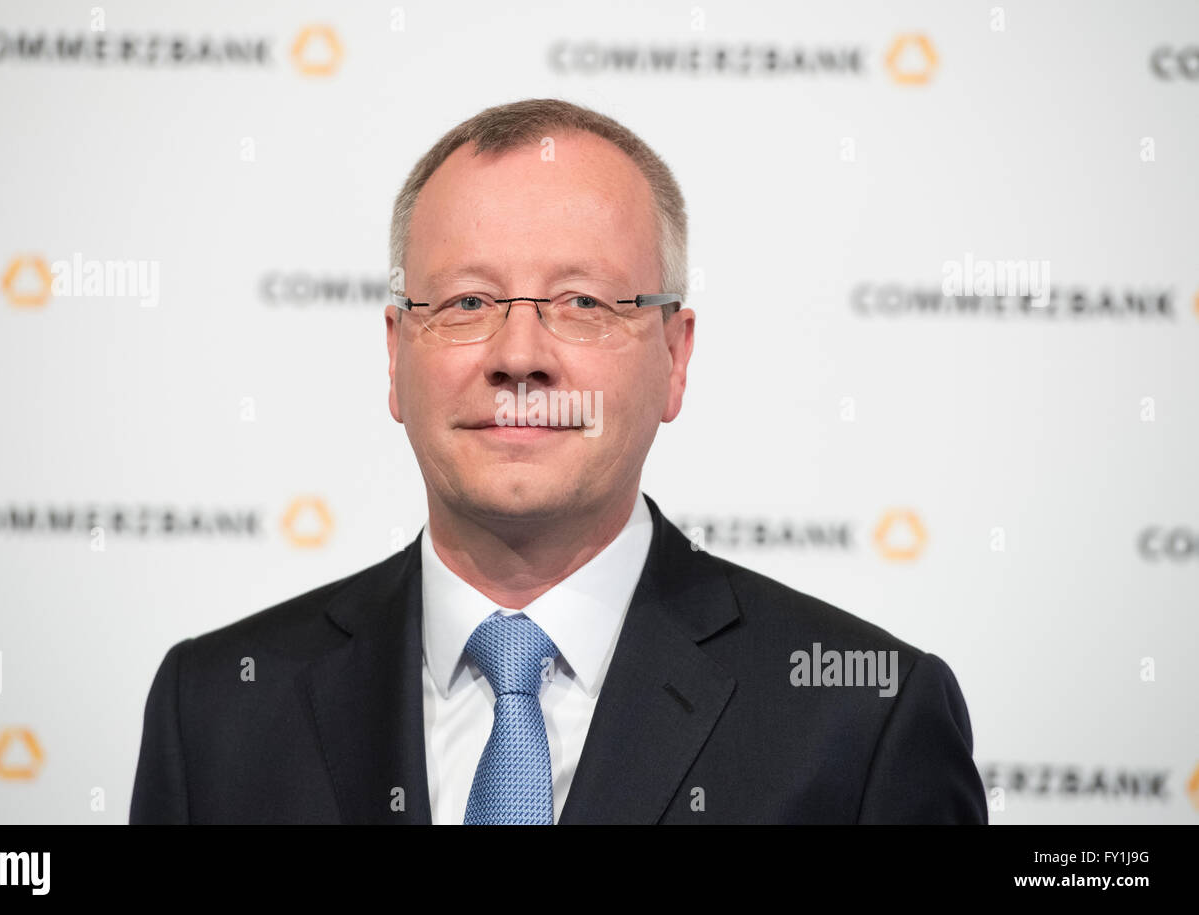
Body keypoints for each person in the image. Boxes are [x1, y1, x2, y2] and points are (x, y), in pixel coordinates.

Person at [130, 97, 987, 824]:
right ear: (395, 355)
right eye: (467, 301)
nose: (518, 354)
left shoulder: (860, 720)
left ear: (674, 355)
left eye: (582, 302)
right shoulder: (215, 709)